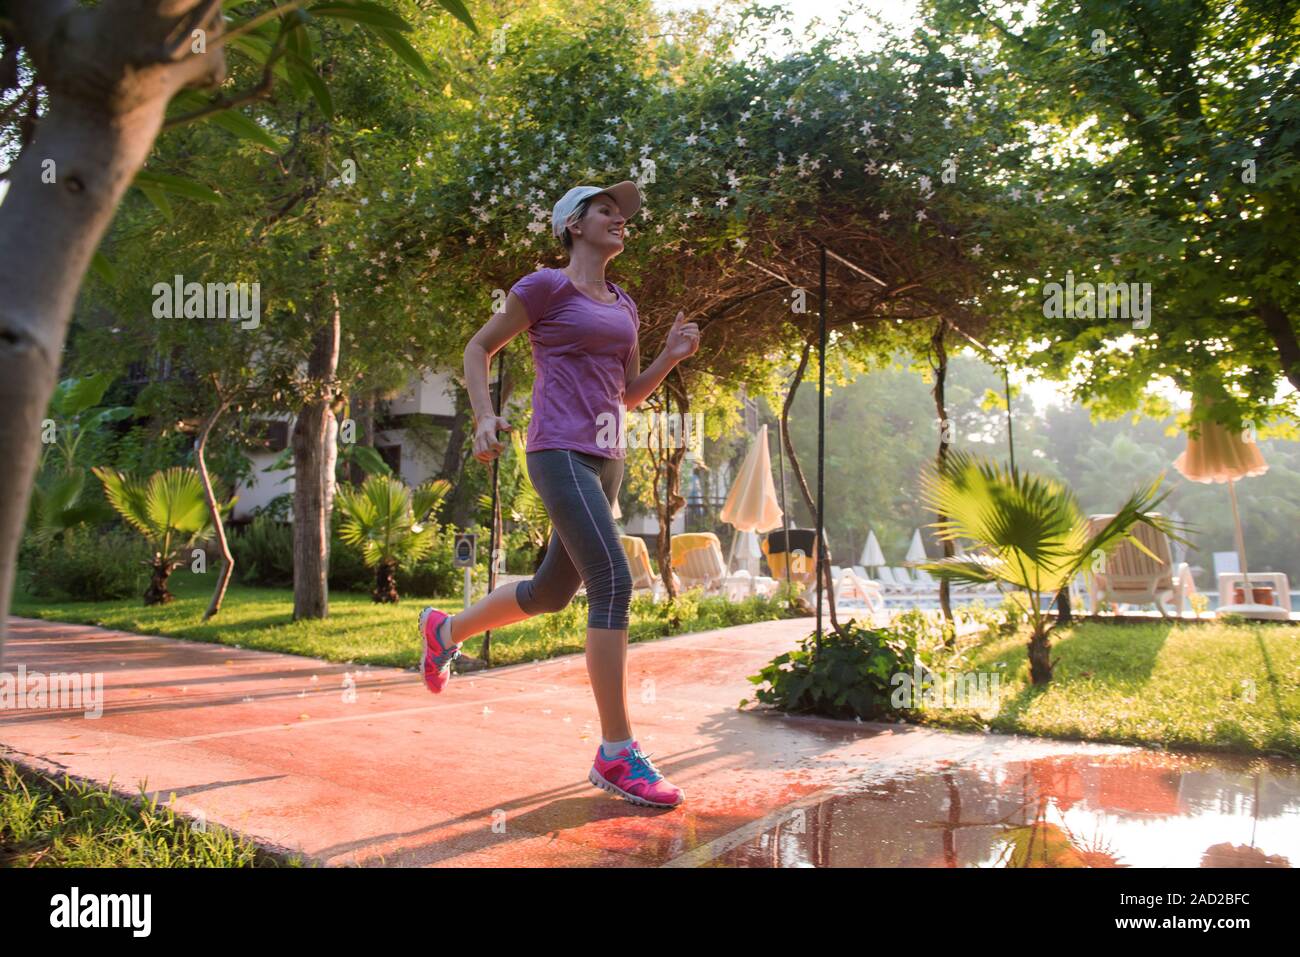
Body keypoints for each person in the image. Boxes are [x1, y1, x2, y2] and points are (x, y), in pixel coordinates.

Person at [417, 180, 701, 808]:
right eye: (605, 209)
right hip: (558, 450)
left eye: (621, 213)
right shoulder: (545, 287)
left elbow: (628, 394)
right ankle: (616, 753)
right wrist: (486, 415)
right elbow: (478, 348)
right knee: (614, 580)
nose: (618, 218)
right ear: (574, 224)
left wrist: (669, 358)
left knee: (551, 593)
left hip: (607, 458)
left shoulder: (624, 305)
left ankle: (444, 630)